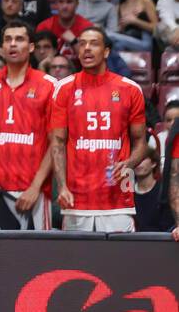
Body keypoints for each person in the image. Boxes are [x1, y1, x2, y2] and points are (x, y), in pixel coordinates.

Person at [50, 27, 148, 232]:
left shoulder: (130, 89)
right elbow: (57, 142)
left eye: (93, 43)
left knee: (118, 262)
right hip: (76, 199)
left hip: (118, 198)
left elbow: (140, 142)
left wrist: (129, 163)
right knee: (76, 263)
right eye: (82, 44)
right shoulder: (64, 88)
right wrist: (62, 186)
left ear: (106, 52)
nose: (86, 48)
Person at [0, 20, 58, 230]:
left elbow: (55, 144)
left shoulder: (49, 86)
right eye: (8, 39)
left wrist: (35, 187)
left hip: (33, 193)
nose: (12, 44)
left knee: (38, 258)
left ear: (31, 47)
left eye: (19, 39)